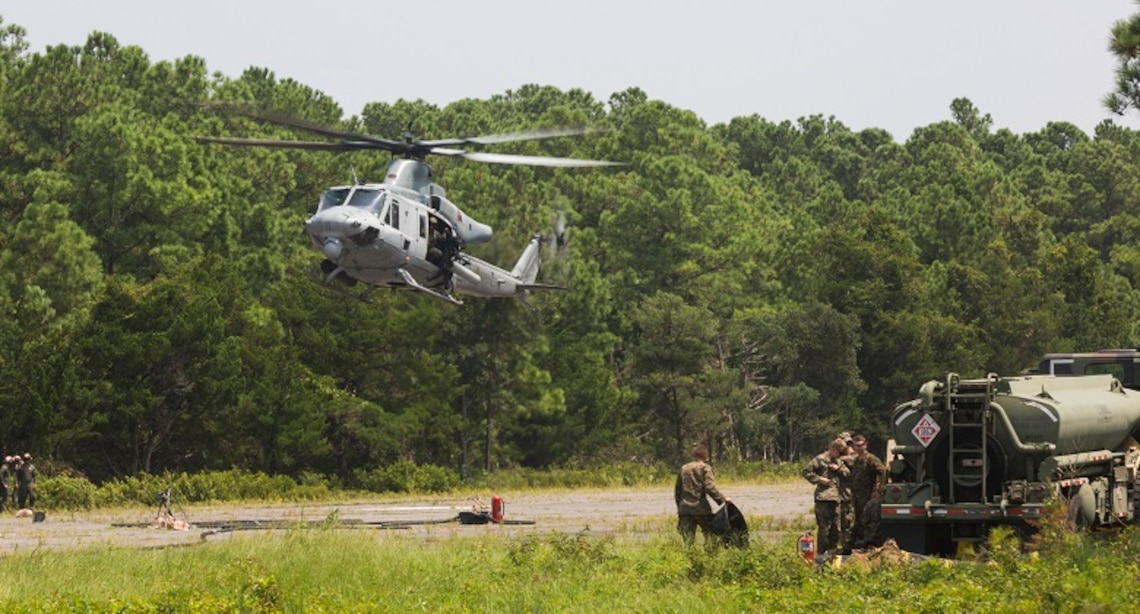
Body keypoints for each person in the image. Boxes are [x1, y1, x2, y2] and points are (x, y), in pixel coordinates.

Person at [674, 443, 730, 547]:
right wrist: (723, 502)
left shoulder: (684, 468)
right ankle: (710, 558)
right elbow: (710, 488)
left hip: (685, 509)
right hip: (701, 509)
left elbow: (677, 490)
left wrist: (680, 507)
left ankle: (689, 559)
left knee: (687, 541)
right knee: (710, 536)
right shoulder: (704, 468)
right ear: (705, 455)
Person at [803, 438, 850, 555]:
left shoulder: (838, 462)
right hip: (823, 499)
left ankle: (832, 554)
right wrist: (820, 479)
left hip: (836, 499)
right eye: (839, 453)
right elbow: (806, 472)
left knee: (836, 529)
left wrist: (838, 469)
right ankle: (821, 555)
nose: (840, 456)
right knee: (824, 530)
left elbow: (847, 474)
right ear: (833, 449)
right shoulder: (820, 459)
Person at [849, 434, 888, 548]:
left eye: (860, 445)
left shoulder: (870, 459)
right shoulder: (857, 460)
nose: (858, 448)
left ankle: (870, 543)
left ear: (865, 445)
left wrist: (878, 488)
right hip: (857, 496)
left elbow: (882, 471)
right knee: (859, 520)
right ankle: (860, 544)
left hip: (867, 495)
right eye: (856, 446)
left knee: (868, 520)